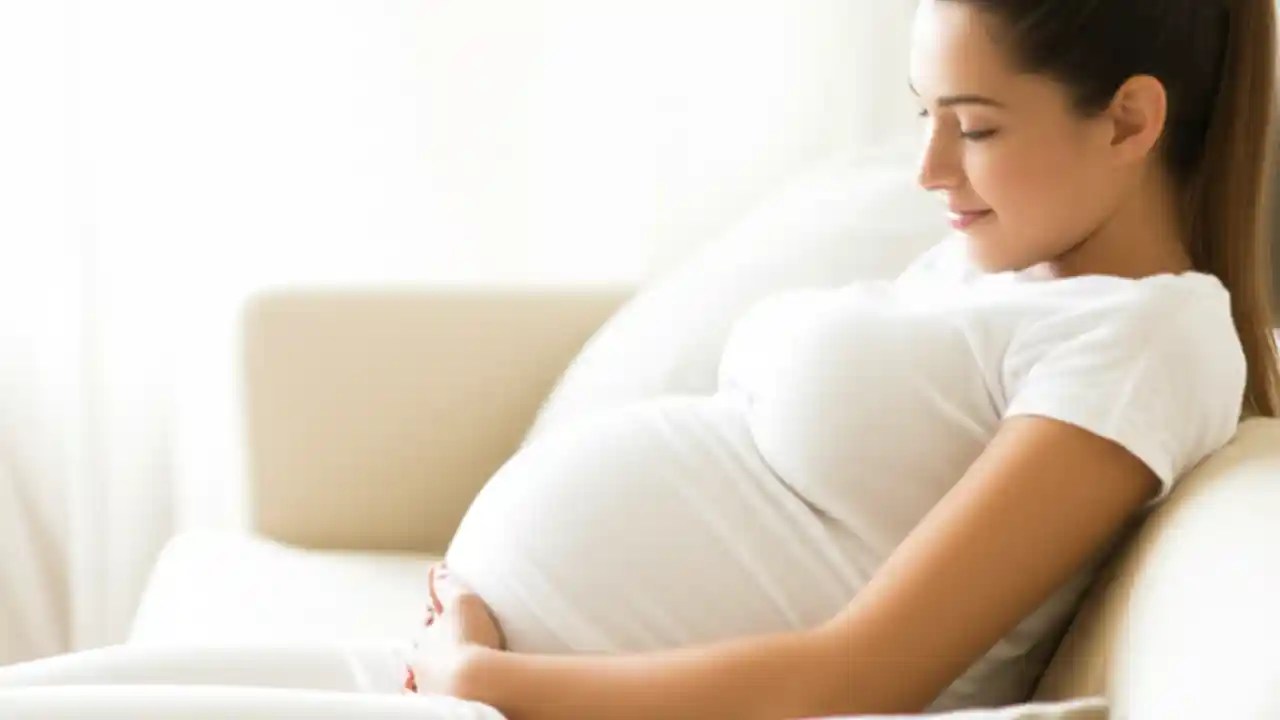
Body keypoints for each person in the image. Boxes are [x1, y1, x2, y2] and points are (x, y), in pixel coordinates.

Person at [2, 1, 1277, 718]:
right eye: (919, 118)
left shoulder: (1145, 342)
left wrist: (492, 679)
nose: (928, 171)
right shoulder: (1003, 268)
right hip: (465, 674)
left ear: (1129, 119)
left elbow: (858, 674)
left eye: (975, 128)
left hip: (514, 703)